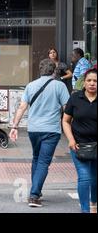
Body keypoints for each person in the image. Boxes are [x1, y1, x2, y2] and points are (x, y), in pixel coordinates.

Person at [10, 59, 70, 208]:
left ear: (40, 70)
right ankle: (34, 195)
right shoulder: (60, 86)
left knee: (36, 158)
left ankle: (36, 190)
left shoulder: (31, 85)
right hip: (51, 130)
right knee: (44, 162)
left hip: (34, 129)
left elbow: (22, 107)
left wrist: (14, 126)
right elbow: (67, 108)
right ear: (54, 71)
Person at [62, 68, 97, 213]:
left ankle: (94, 203)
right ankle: (85, 210)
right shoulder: (75, 98)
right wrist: (70, 140)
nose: (92, 83)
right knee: (84, 177)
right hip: (78, 145)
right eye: (89, 80)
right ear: (84, 83)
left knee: (95, 178)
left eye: (95, 81)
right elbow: (65, 121)